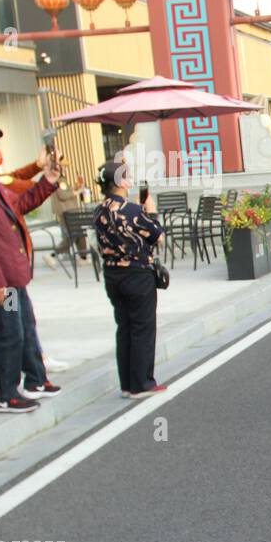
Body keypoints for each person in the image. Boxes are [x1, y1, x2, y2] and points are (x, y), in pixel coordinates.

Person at [0, 121, 63, 413]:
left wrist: (49, 181)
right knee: (10, 332)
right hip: (1, 277)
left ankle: (35, 381)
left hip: (12, 272)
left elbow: (20, 204)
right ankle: (5, 395)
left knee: (26, 326)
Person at [93, 161, 168, 399]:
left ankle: (127, 383)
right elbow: (158, 237)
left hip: (112, 274)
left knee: (124, 327)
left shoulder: (100, 210)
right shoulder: (132, 210)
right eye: (127, 176)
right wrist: (151, 212)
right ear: (121, 182)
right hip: (136, 273)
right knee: (143, 328)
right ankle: (142, 383)